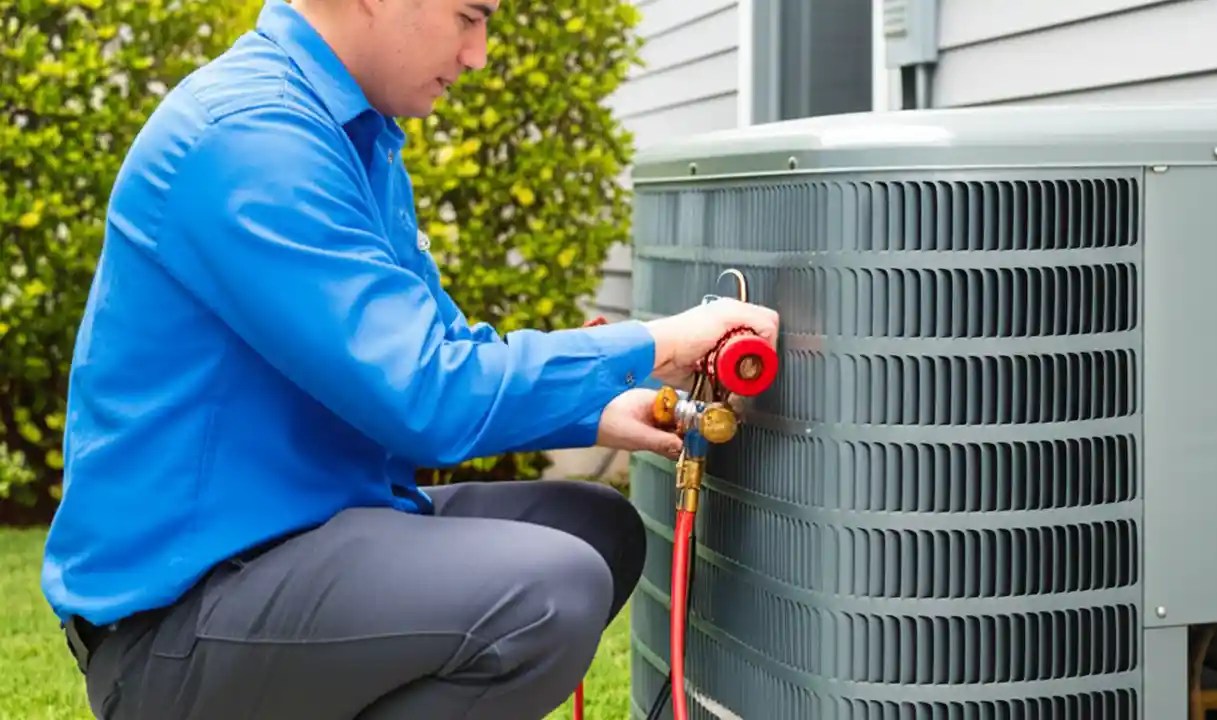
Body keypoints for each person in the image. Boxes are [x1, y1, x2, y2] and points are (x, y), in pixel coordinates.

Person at [40, 0, 780, 718]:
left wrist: (600, 406)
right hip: (180, 625)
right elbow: (425, 392)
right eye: (470, 15)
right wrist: (657, 343)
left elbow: (440, 351)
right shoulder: (253, 138)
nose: (477, 53)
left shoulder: (348, 136)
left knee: (593, 528)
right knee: (548, 590)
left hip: (296, 542)